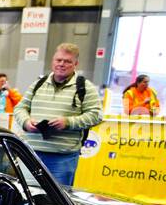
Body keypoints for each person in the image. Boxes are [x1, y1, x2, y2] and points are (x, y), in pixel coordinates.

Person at [11, 42, 103, 187]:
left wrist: (68, 122)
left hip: (62, 159)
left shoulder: (85, 87)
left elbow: (96, 115)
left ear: (75, 64)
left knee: (58, 204)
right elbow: (20, 108)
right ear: (53, 61)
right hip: (31, 155)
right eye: (58, 60)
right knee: (27, 198)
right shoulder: (38, 84)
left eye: (67, 61)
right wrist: (26, 122)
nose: (61, 64)